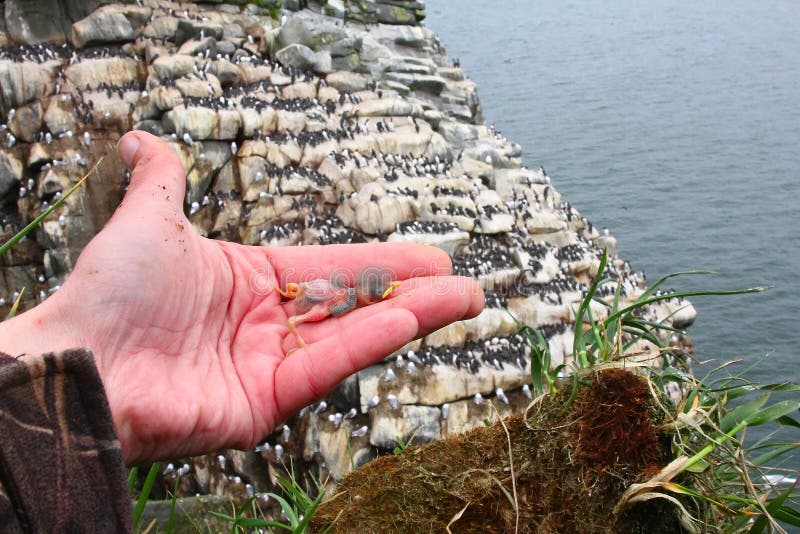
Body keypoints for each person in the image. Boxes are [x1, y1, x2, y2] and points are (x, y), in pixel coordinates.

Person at [0, 131, 484, 531]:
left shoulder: (318, 294)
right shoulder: (299, 303)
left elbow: (319, 296)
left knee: (376, 298)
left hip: (329, 295)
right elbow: (301, 305)